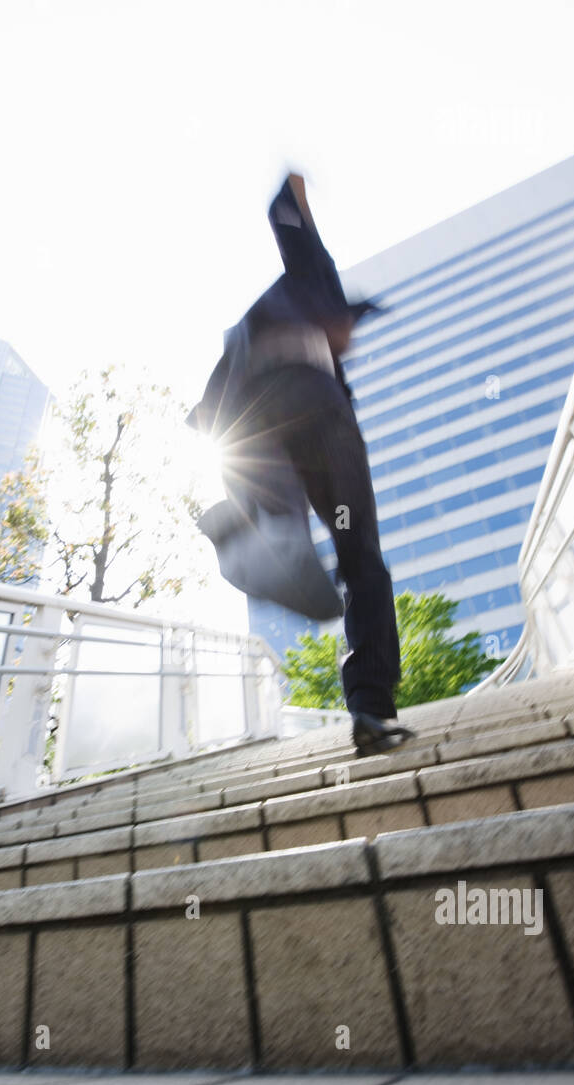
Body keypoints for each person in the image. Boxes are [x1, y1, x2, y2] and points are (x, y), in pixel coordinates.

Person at [188, 172, 415, 757]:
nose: (349, 341)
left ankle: (264, 524)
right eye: (349, 330)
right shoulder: (314, 284)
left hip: (253, 426)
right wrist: (299, 197)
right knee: (359, 553)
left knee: (320, 517)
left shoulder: (281, 341)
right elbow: (286, 216)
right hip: (310, 414)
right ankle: (370, 698)